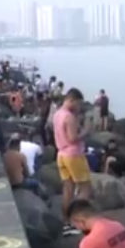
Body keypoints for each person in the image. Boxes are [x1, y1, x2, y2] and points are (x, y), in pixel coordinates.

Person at [54, 88, 92, 233]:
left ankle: (65, 221)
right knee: (85, 189)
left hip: (61, 155)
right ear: (72, 100)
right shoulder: (69, 117)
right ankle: (77, 221)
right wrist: (86, 131)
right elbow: (72, 138)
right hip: (73, 155)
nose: (79, 107)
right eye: (78, 104)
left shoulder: (58, 114)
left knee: (68, 189)